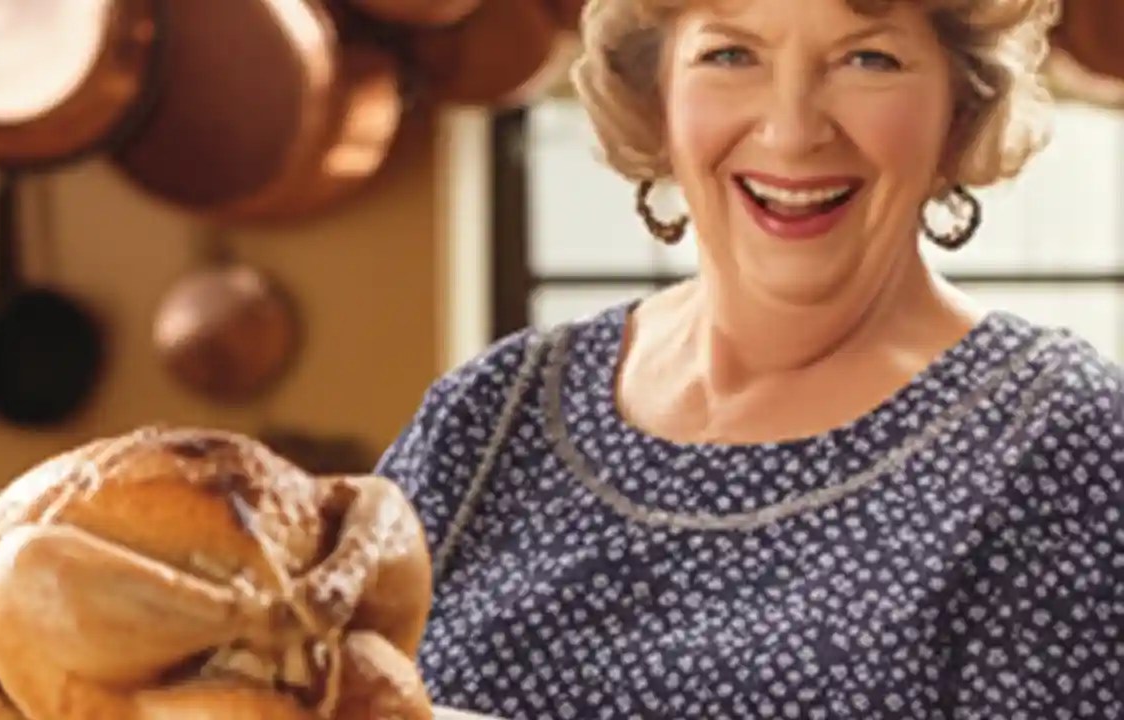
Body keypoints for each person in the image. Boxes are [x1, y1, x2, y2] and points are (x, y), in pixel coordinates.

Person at [377, 0, 1124, 717]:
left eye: (869, 58)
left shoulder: (1065, 443)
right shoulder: (492, 411)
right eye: (730, 55)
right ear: (657, 96)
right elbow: (305, 680)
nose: (793, 131)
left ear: (958, 111)